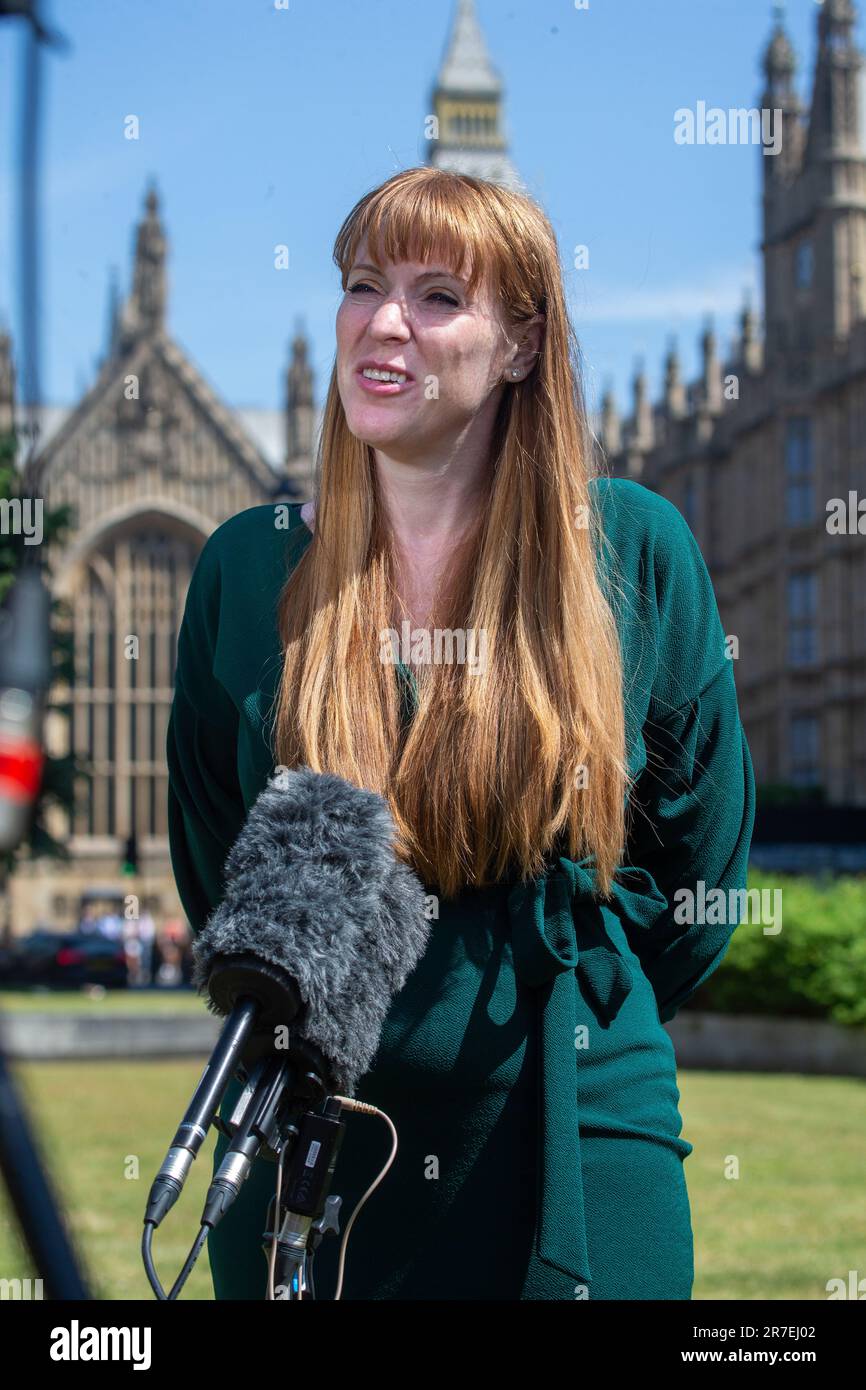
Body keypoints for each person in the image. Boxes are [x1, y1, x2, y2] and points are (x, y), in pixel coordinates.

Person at [166, 168, 755, 1301]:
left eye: (438, 297)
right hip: (302, 1152)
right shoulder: (248, 567)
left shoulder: (628, 550)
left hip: (572, 1143)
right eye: (361, 285)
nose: (384, 322)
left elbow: (694, 881)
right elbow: (219, 864)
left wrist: (559, 997)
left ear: (522, 346)